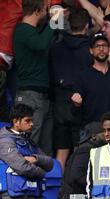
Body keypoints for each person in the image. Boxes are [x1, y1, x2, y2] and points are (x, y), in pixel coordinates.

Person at [13, 0, 62, 156]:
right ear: (38, 11)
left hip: (42, 95)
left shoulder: (35, 31)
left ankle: (45, 179)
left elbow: (50, 39)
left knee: (44, 145)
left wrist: (57, 22)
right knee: (29, 140)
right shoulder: (22, 30)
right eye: (45, 9)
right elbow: (40, 44)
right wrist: (53, 21)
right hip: (30, 94)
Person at [49, 8, 92, 171]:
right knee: (80, 149)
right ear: (86, 26)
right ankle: (75, 190)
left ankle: (58, 189)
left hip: (60, 100)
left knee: (61, 149)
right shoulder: (90, 49)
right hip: (81, 103)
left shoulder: (56, 47)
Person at [0, 104, 53, 199]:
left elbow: (49, 163)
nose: (32, 124)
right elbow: (22, 167)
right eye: (27, 121)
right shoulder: (5, 141)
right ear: (16, 121)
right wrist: (42, 173)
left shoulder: (29, 142)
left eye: (32, 120)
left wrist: (35, 158)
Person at [54, 122, 106, 199]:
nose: (107, 135)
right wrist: (96, 188)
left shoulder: (88, 149)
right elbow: (77, 175)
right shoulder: (86, 150)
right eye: (103, 132)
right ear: (94, 136)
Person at [71, 34, 110, 134]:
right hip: (91, 129)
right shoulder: (83, 76)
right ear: (91, 51)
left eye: (104, 45)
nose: (101, 49)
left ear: (109, 49)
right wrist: (76, 104)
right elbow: (74, 110)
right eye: (97, 46)